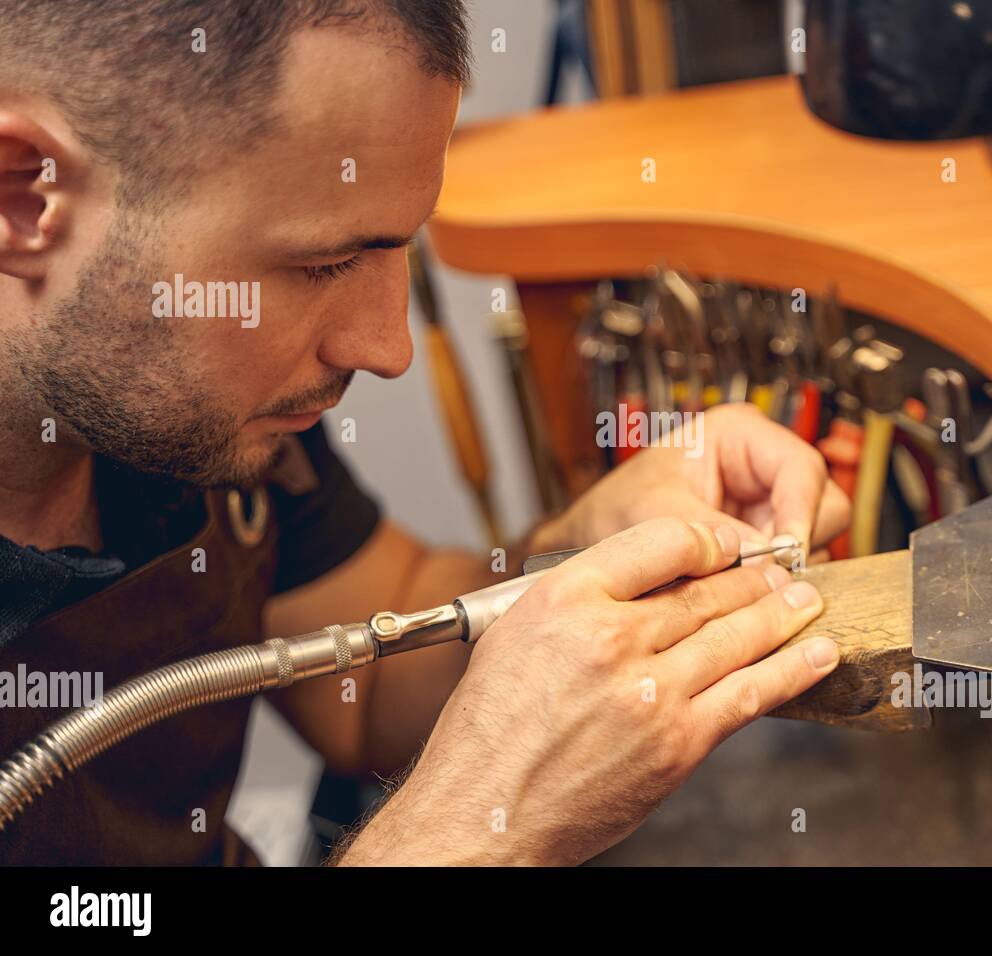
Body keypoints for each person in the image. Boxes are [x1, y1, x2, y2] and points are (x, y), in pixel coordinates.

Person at [0, 0, 849, 865]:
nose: (387, 349)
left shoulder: (184, 416)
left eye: (393, 248)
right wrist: (463, 835)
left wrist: (566, 562)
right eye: (321, 264)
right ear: (23, 194)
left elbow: (363, 688)